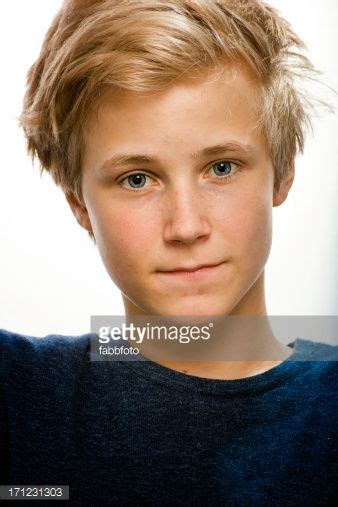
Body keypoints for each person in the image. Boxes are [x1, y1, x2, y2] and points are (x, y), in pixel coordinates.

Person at [0, 0, 337, 505]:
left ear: (283, 170)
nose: (186, 226)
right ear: (78, 204)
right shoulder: (18, 395)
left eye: (221, 168)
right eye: (137, 179)